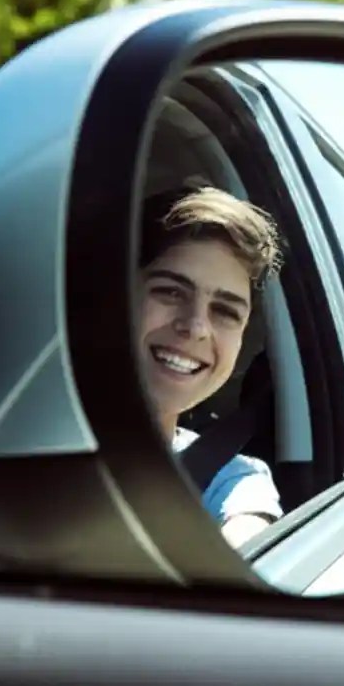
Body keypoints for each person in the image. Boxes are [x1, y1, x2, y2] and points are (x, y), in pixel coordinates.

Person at [136, 183, 284, 549]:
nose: (197, 327)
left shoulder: (231, 480)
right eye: (170, 291)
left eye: (225, 311)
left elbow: (247, 534)